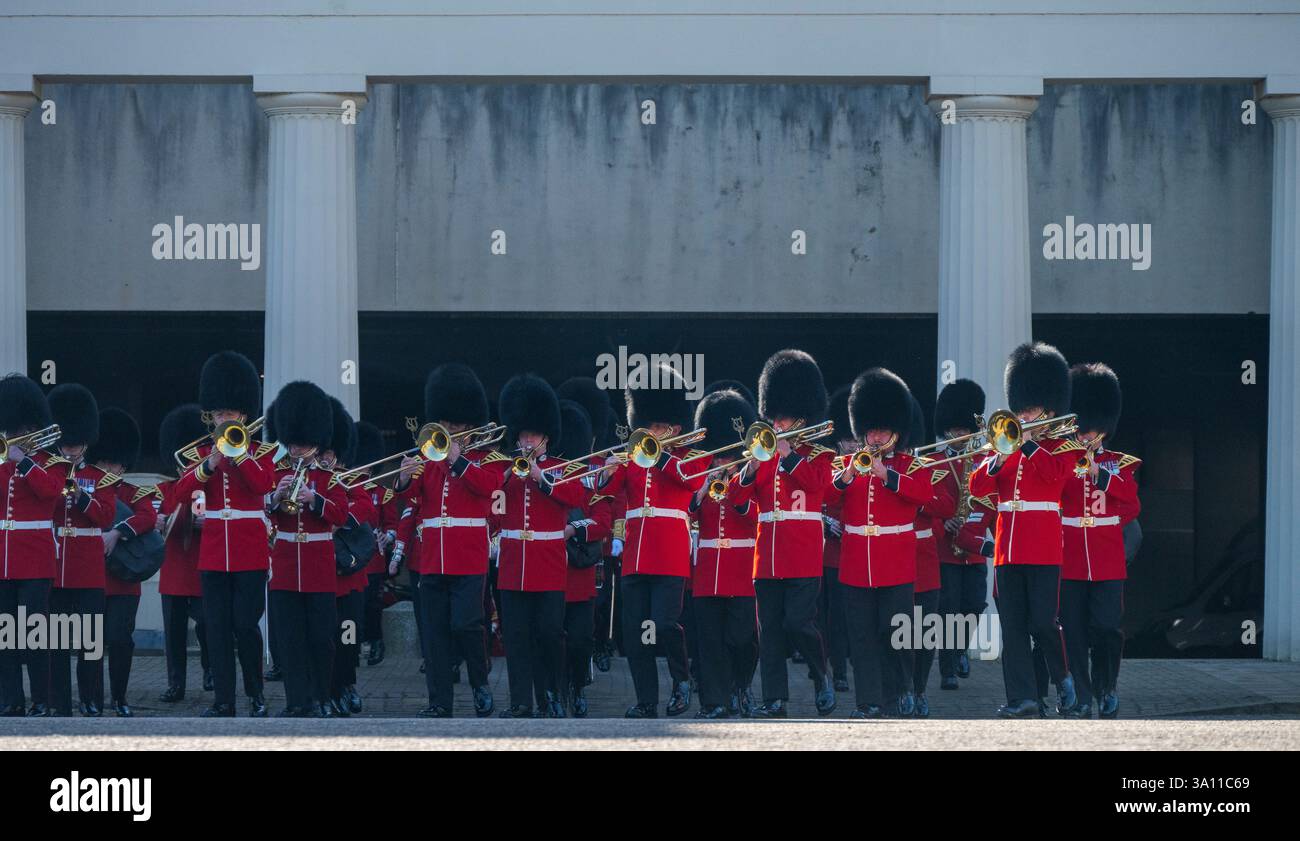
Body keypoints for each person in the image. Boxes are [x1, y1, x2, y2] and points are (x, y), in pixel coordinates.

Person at [969, 341, 1083, 719]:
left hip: (1044, 547)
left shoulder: (1064, 446)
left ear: (1048, 410)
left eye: (1029, 409)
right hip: (1007, 550)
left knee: (1043, 623)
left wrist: (1030, 446)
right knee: (1014, 629)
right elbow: (977, 489)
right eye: (1020, 408)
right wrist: (1000, 455)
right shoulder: (1005, 445)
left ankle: (1063, 678)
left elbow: (1056, 477)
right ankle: (1023, 698)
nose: (1023, 415)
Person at [394, 364, 505, 718]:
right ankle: (439, 700)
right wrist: (401, 478)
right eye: (446, 426)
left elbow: (489, 488)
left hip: (468, 556)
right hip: (431, 558)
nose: (450, 432)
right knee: (435, 633)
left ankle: (480, 684)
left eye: (456, 427)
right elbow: (409, 498)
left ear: (471, 428)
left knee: (467, 625)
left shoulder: (487, 459)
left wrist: (457, 461)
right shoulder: (428, 460)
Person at [730, 349, 836, 718]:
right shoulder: (763, 455)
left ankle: (821, 674)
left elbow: (818, 486)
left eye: (784, 418)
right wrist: (748, 468)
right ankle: (775, 698)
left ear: (802, 418)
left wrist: (790, 455)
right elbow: (736, 496)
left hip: (803, 553)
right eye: (774, 417)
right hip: (767, 557)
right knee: (770, 631)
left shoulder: (819, 455)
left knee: (798, 623)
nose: (777, 423)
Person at [173, 351, 277, 717]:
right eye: (218, 414)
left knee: (245, 626)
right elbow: (180, 494)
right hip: (215, 551)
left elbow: (264, 484)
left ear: (243, 416)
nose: (223, 419)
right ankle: (224, 701)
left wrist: (239, 455)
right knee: (216, 629)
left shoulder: (261, 453)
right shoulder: (202, 454)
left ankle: (255, 693)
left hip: (249, 549)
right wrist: (210, 464)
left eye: (230, 414)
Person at [598, 363, 704, 718]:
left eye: (656, 426)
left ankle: (682, 679)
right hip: (635, 559)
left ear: (673, 428)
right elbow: (606, 491)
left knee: (664, 625)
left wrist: (661, 457)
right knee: (638, 633)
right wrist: (609, 470)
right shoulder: (633, 459)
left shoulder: (688, 458)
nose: (649, 432)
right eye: (645, 425)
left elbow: (690, 484)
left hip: (669, 557)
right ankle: (647, 700)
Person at [829, 369, 934, 718]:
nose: (875, 436)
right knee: (862, 638)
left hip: (896, 563)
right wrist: (846, 477)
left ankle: (902, 689)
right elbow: (826, 498)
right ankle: (869, 702)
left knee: (896, 633)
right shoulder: (847, 465)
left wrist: (887, 476)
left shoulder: (910, 466)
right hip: (857, 564)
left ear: (895, 432)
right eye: (870, 430)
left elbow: (925, 495)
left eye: (882, 430)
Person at [495, 374, 590, 717]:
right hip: (513, 566)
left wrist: (541, 478)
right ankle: (521, 701)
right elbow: (492, 509)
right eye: (522, 434)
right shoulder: (505, 472)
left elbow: (575, 496)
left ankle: (551, 694)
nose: (526, 440)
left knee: (550, 634)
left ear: (546, 437)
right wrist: (506, 477)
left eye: (532, 434)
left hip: (548, 564)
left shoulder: (562, 469)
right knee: (517, 638)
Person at [1060, 362, 1141, 719]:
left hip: (1107, 559)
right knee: (1073, 632)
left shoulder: (1117, 464)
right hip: (1070, 556)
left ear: (1104, 429)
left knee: (1107, 628)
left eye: (1093, 429)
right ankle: (1081, 693)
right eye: (1082, 429)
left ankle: (1106, 687)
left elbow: (1132, 502)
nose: (1087, 435)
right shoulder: (1060, 461)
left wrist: (1100, 479)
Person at [265, 382, 347, 717]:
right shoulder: (276, 474)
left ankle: (323, 697)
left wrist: (315, 500)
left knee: (321, 639)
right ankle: (296, 701)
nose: (298, 450)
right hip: (284, 566)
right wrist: (274, 497)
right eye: (294, 444)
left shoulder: (331, 479)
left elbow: (342, 515)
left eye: (304, 444)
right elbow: (261, 511)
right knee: (290, 641)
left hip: (318, 565)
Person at [46, 384, 117, 717]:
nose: (70, 450)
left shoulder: (99, 477)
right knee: (57, 641)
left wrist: (82, 497)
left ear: (85, 443)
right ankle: (59, 701)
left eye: (75, 445)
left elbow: (106, 516)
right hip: (56, 563)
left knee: (90, 641)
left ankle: (91, 699)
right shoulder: (49, 473)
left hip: (88, 565)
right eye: (66, 445)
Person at [689, 389, 760, 719]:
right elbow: (687, 514)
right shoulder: (701, 476)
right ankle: (714, 701)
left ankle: (741, 685)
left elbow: (754, 515)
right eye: (717, 458)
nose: (721, 463)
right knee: (710, 643)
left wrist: (735, 486)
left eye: (726, 458)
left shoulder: (749, 476)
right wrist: (705, 487)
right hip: (707, 572)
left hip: (742, 569)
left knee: (743, 638)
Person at [90, 408, 158, 717]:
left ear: (123, 464)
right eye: (103, 461)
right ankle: (91, 698)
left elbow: (148, 516)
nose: (108, 468)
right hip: (89, 578)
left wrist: (118, 531)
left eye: (113, 463)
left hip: (122, 582)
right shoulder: (83, 489)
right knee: (89, 643)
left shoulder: (131, 492)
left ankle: (119, 697)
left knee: (119, 641)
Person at [0, 375, 60, 717]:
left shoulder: (49, 461)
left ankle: (41, 699)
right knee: (5, 633)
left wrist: (23, 460)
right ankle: (11, 699)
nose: (12, 434)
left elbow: (51, 492)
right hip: (3, 558)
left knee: (33, 631)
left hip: (35, 559)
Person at [555, 399, 614, 718]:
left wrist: (572, 529)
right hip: (548, 576)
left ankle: (578, 686)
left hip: (578, 578)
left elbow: (602, 523)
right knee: (552, 639)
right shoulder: (541, 477)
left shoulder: (589, 482)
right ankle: (556, 692)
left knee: (579, 640)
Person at [898, 396, 955, 718]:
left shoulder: (925, 469)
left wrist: (916, 499)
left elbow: (945, 505)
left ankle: (918, 690)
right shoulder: (884, 470)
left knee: (924, 635)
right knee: (900, 634)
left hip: (926, 564)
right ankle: (903, 689)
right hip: (895, 561)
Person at [933, 379, 991, 691]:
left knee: (974, 604)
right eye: (953, 430)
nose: (958, 435)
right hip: (945, 548)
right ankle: (947, 669)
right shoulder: (934, 462)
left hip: (974, 549)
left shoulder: (983, 461)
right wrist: (945, 524)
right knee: (948, 608)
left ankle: (959, 648)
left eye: (962, 430)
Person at [157, 404, 213, 702]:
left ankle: (209, 669)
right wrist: (159, 522)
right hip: (175, 569)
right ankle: (175, 683)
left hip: (202, 565)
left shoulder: (206, 487)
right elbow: (160, 522)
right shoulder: (164, 489)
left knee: (206, 624)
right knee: (174, 634)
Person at [352, 421, 396, 667]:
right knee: (352, 606)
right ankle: (352, 645)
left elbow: (391, 525)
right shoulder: (344, 488)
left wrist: (387, 537)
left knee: (371, 605)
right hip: (350, 557)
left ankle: (376, 641)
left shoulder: (382, 493)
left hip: (373, 558)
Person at [819, 385, 852, 693]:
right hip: (832, 552)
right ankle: (838, 669)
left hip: (860, 549)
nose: (851, 444)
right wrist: (826, 521)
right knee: (836, 616)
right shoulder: (830, 465)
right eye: (847, 439)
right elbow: (816, 500)